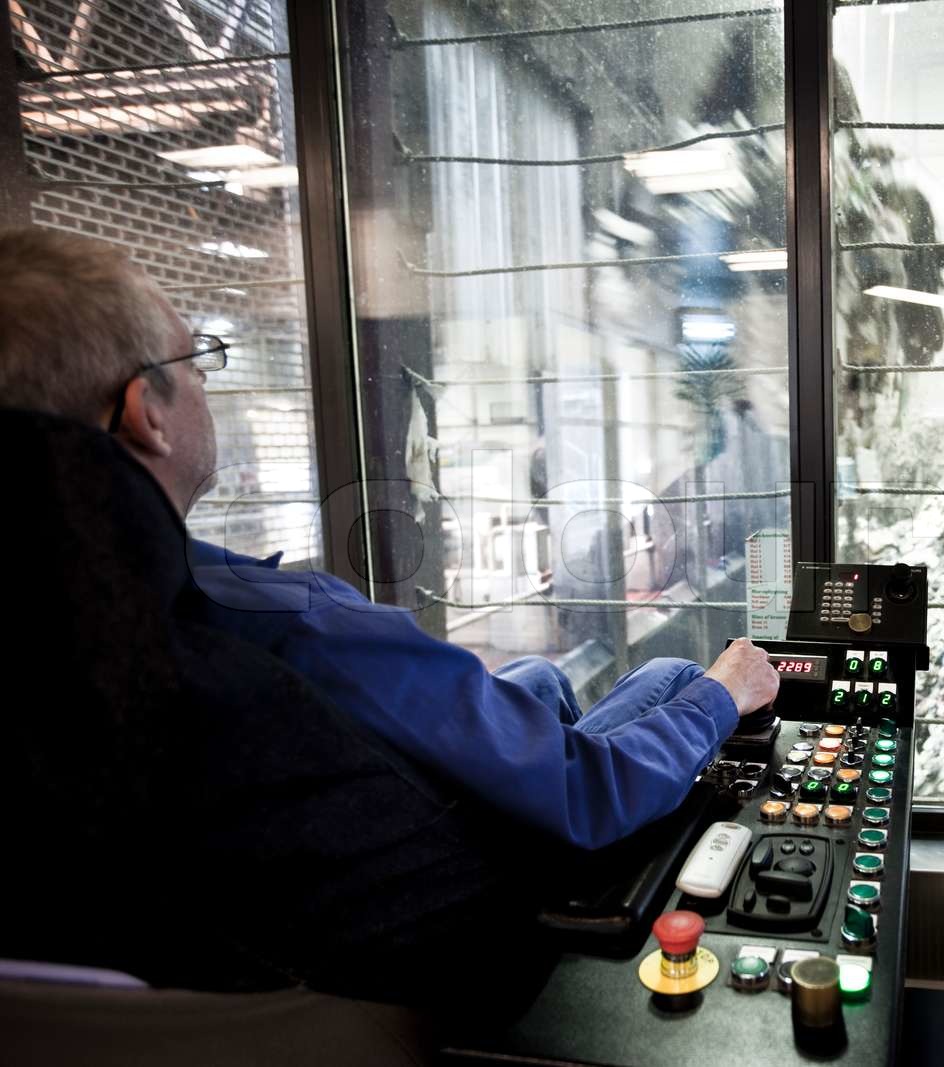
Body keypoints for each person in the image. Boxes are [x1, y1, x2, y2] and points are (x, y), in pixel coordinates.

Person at [0, 226, 780, 852]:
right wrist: (724, 691)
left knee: (539, 681)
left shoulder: (75, 621)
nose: (208, 382)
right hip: (494, 873)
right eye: (197, 360)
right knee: (679, 673)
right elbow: (588, 790)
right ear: (148, 413)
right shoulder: (296, 625)